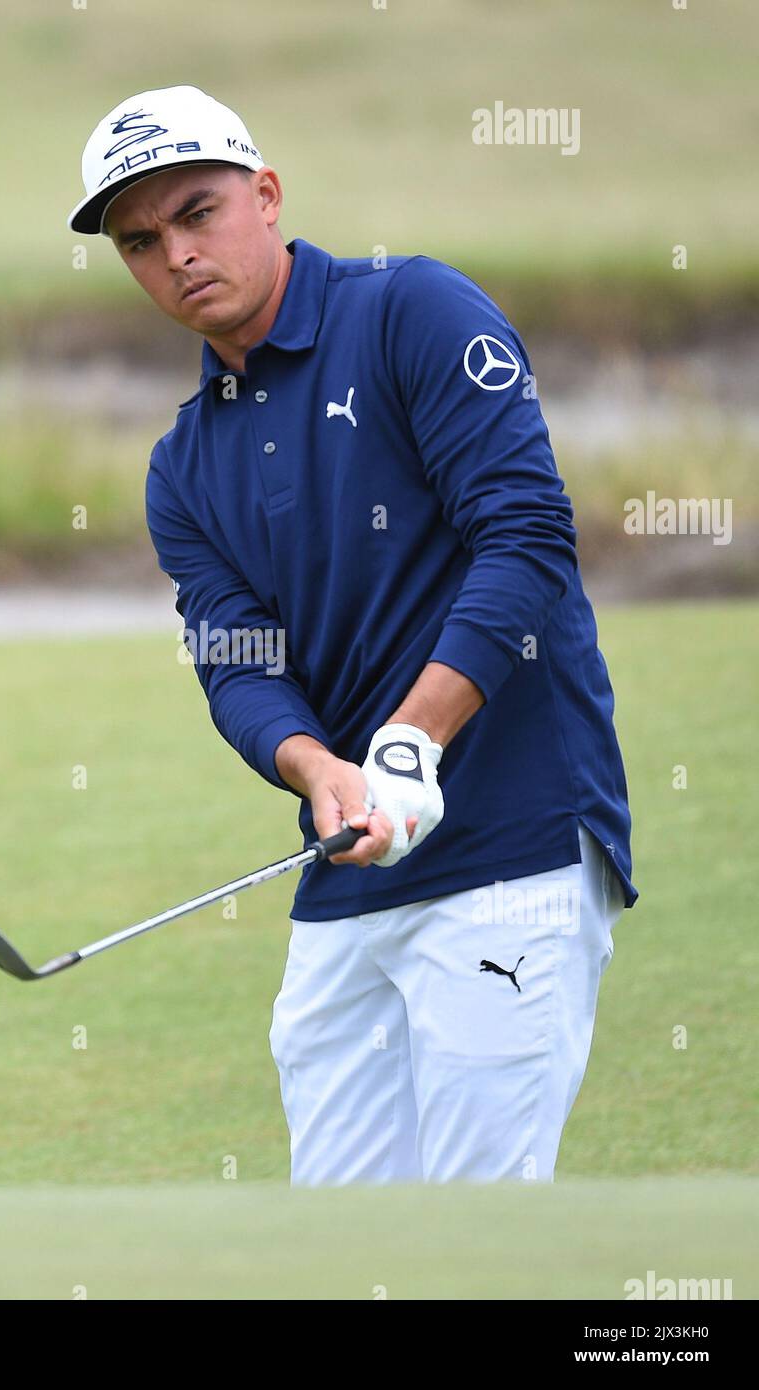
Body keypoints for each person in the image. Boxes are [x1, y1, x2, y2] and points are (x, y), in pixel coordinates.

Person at [68, 85, 637, 1184]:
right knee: (338, 1244)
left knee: (478, 1237)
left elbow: (526, 538)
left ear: (266, 194)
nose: (176, 254)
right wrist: (316, 767)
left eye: (196, 213)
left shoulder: (411, 311)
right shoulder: (182, 466)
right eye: (140, 241)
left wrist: (412, 740)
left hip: (512, 843)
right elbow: (237, 662)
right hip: (350, 867)